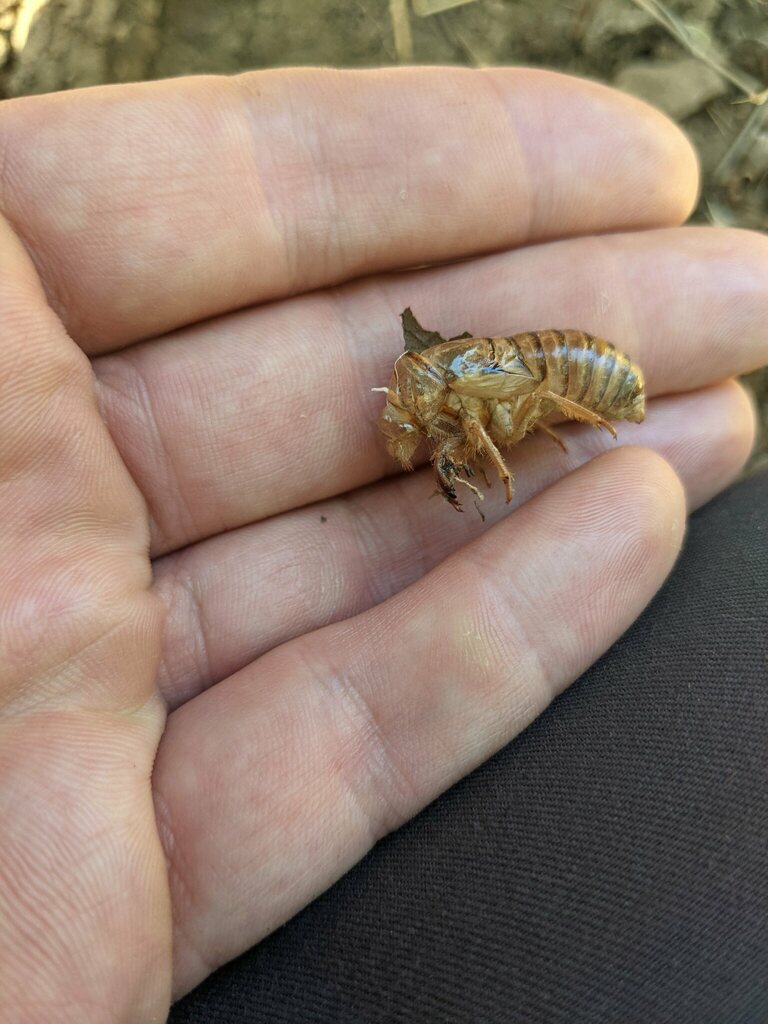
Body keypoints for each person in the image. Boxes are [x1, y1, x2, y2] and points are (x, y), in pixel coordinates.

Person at [0, 66, 765, 1024]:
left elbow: (484, 429)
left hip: (576, 372)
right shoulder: (448, 388)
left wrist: (494, 439)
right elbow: (452, 427)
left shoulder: (482, 390)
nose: (412, 421)